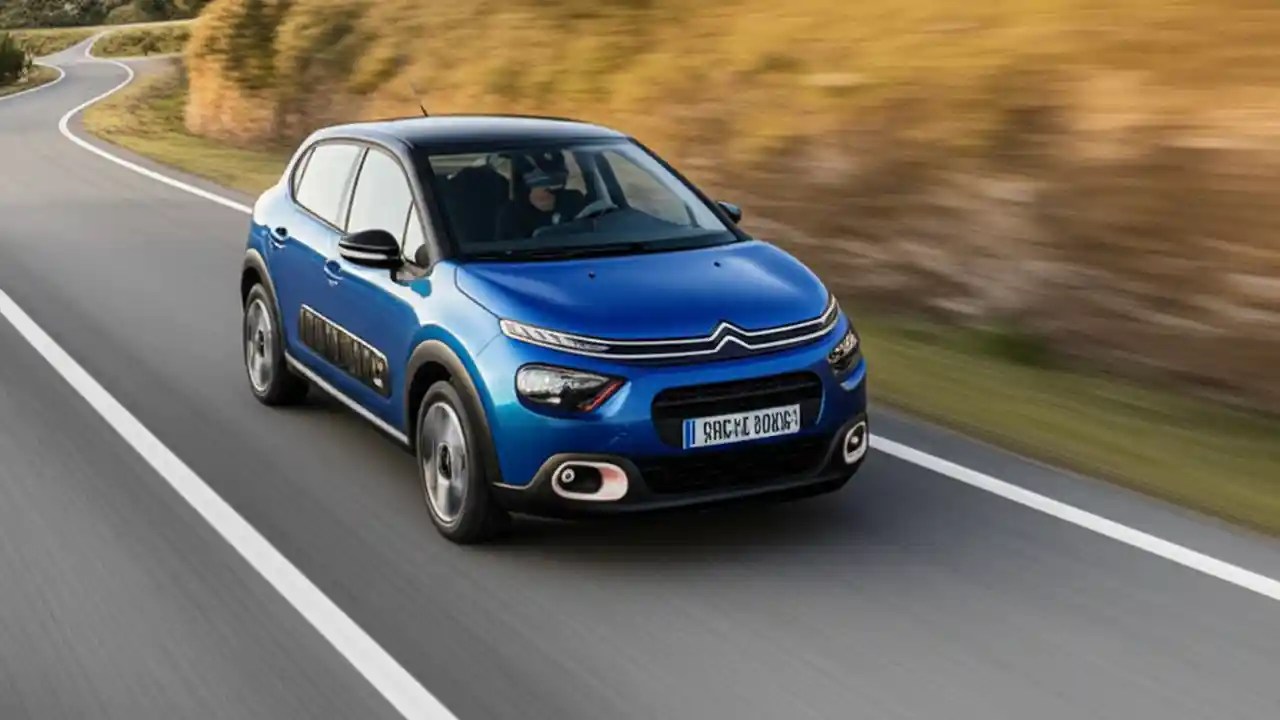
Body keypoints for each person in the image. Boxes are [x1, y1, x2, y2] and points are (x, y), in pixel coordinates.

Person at [496, 151, 587, 240]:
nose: (551, 188)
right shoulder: (511, 214)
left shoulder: (573, 202)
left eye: (557, 180)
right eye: (544, 181)